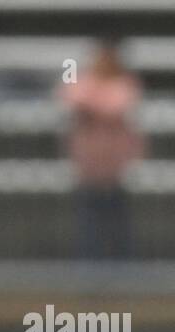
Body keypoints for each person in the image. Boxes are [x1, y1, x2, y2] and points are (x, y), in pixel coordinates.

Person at [60, 40, 144, 261]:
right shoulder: (84, 79)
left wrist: (93, 105)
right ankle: (90, 279)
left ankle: (122, 276)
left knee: (119, 226)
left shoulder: (125, 82)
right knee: (88, 226)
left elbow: (119, 104)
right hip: (87, 168)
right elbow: (71, 98)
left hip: (116, 170)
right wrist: (97, 101)